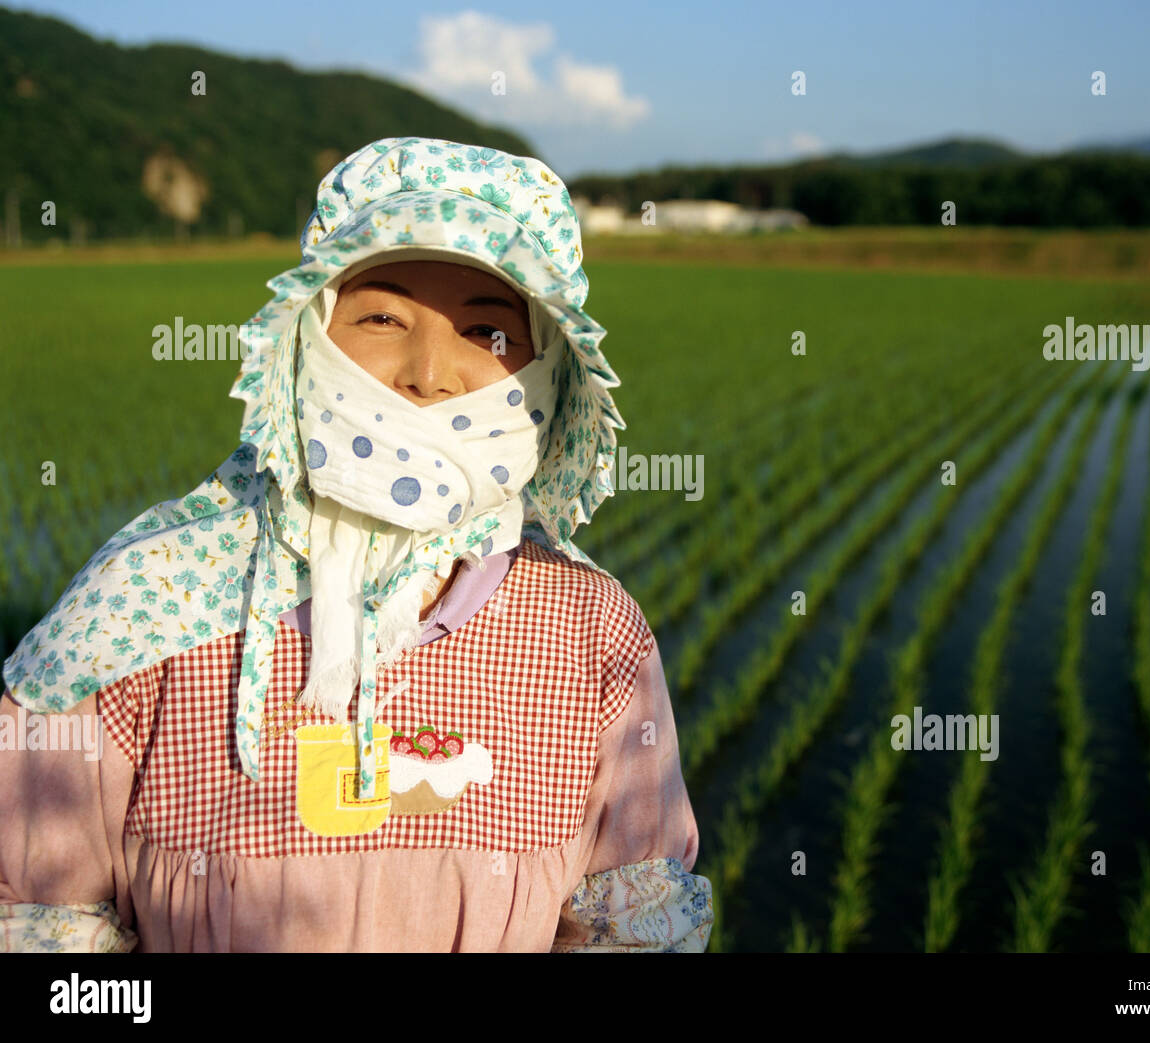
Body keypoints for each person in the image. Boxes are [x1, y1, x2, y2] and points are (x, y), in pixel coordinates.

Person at [0, 137, 713, 952]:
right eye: (381, 316)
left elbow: (631, 926)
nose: (429, 372)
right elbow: (36, 926)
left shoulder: (590, 634)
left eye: (489, 332)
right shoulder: (142, 607)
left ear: (548, 374)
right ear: (306, 338)